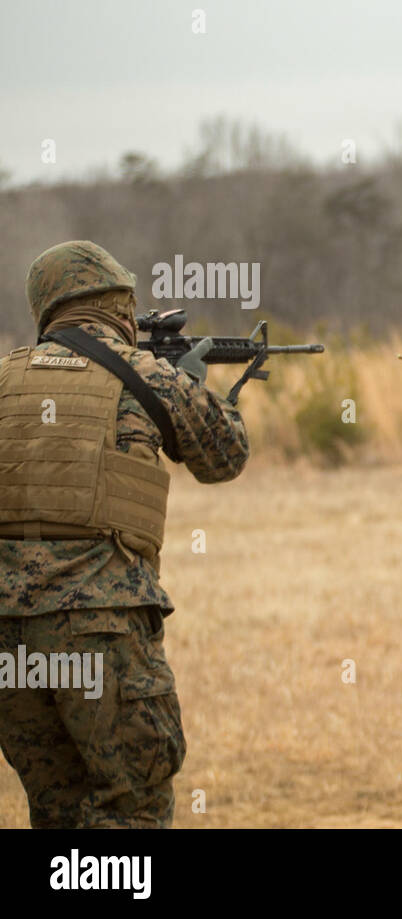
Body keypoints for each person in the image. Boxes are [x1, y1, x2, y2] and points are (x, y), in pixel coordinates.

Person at [0, 240, 250, 827]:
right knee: (131, 805)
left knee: (56, 805)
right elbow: (225, 456)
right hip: (103, 628)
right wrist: (189, 387)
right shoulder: (144, 375)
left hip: (7, 640)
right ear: (121, 306)